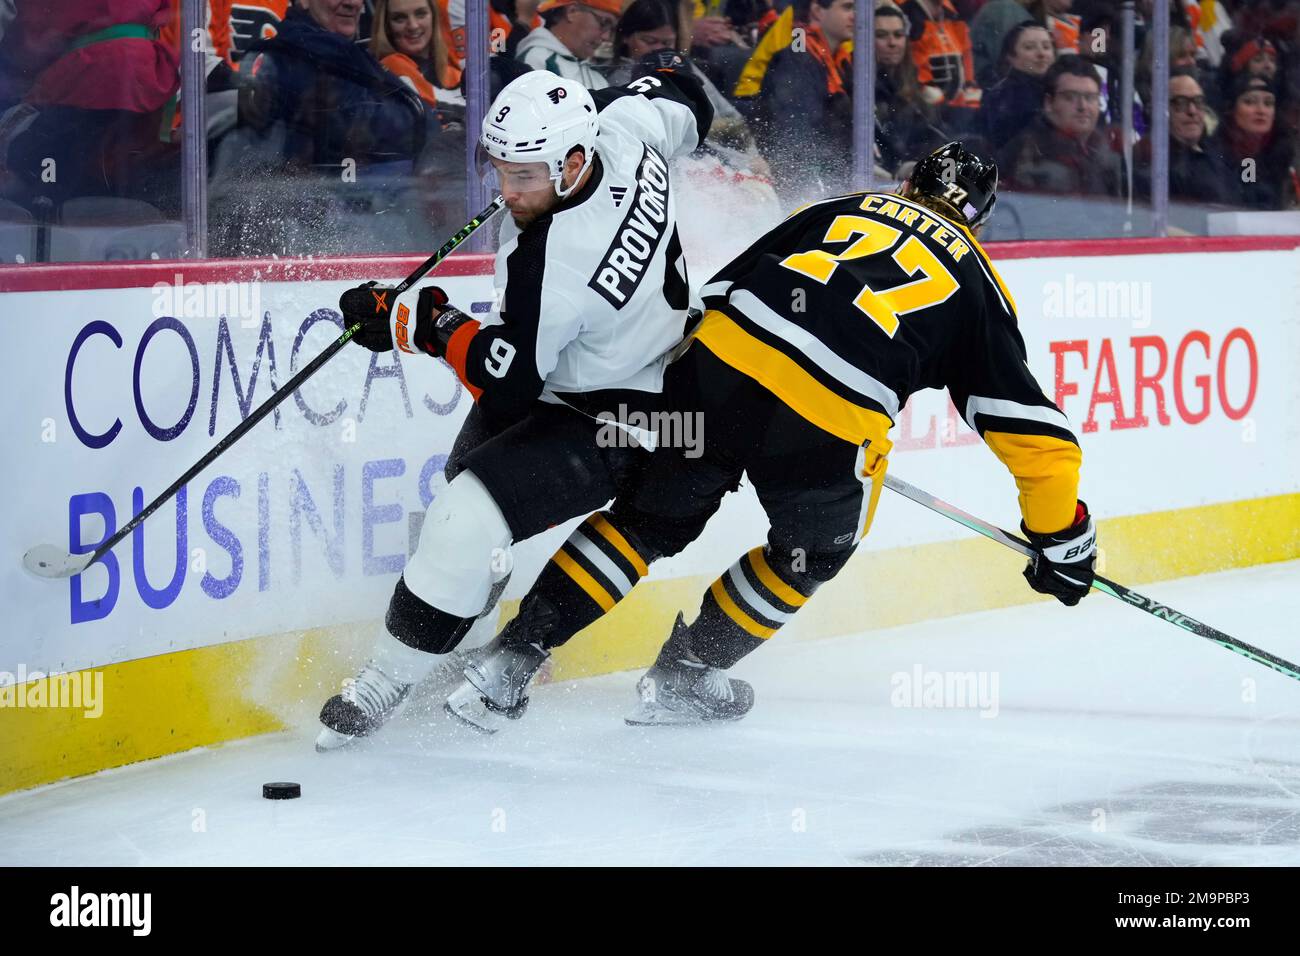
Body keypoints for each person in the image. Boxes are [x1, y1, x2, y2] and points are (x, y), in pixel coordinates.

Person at [447, 142, 1095, 730]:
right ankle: (686, 674)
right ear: (979, 220)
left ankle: (510, 660)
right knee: (810, 553)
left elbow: (723, 289)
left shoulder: (843, 209)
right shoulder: (977, 282)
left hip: (717, 366)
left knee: (647, 521)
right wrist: (1061, 541)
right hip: (828, 420)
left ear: (906, 185)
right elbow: (1039, 442)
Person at [315, 57, 715, 749]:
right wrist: (660, 72)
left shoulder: (553, 268)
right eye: (500, 168)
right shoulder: (624, 124)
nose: (508, 189)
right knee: (463, 499)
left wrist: (416, 320)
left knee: (463, 521)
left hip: (618, 413)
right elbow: (684, 99)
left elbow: (508, 379)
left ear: (573, 161)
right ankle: (455, 638)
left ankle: (387, 678)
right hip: (616, 369)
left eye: (524, 175)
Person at [753, 0, 855, 204]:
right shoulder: (798, 53)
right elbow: (795, 130)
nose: (856, 16)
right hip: (796, 180)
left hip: (827, 166)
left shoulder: (839, 56)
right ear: (817, 11)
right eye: (847, 7)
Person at [998, 54, 1124, 197]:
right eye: (1070, 97)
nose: (1082, 106)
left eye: (1090, 97)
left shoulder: (1108, 152)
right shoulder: (1026, 152)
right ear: (1049, 103)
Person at [1134, 68, 1233, 203]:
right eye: (1180, 103)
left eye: (1198, 102)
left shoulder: (1218, 154)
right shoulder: (1146, 156)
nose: (1192, 111)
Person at [875, 2, 946, 176]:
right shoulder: (856, 84)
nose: (892, 43)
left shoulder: (914, 85)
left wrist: (914, 163)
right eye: (881, 35)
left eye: (898, 35)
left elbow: (932, 136)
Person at [1208, 72, 1298, 209]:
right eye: (1249, 102)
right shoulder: (1214, 153)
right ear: (1232, 109)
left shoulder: (1288, 152)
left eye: (1268, 103)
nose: (1261, 110)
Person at [372, 0, 462, 109]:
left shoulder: (452, 73)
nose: (413, 26)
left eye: (421, 14)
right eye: (400, 18)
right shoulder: (391, 66)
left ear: (434, 16)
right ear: (386, 25)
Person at [977, 21, 1054, 148]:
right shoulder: (1007, 97)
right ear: (1011, 57)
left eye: (1046, 47)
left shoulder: (1054, 88)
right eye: (1029, 47)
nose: (1041, 54)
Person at [515, 0, 621, 88]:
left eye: (611, 29)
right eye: (604, 22)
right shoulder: (537, 59)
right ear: (572, 12)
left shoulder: (596, 76)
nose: (606, 37)